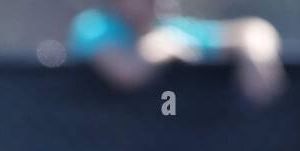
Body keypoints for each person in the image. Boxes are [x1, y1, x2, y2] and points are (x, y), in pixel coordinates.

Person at [69, 0, 285, 106]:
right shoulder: (94, 26)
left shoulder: (173, 30)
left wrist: (256, 52)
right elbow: (127, 73)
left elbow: (252, 30)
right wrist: (158, 50)